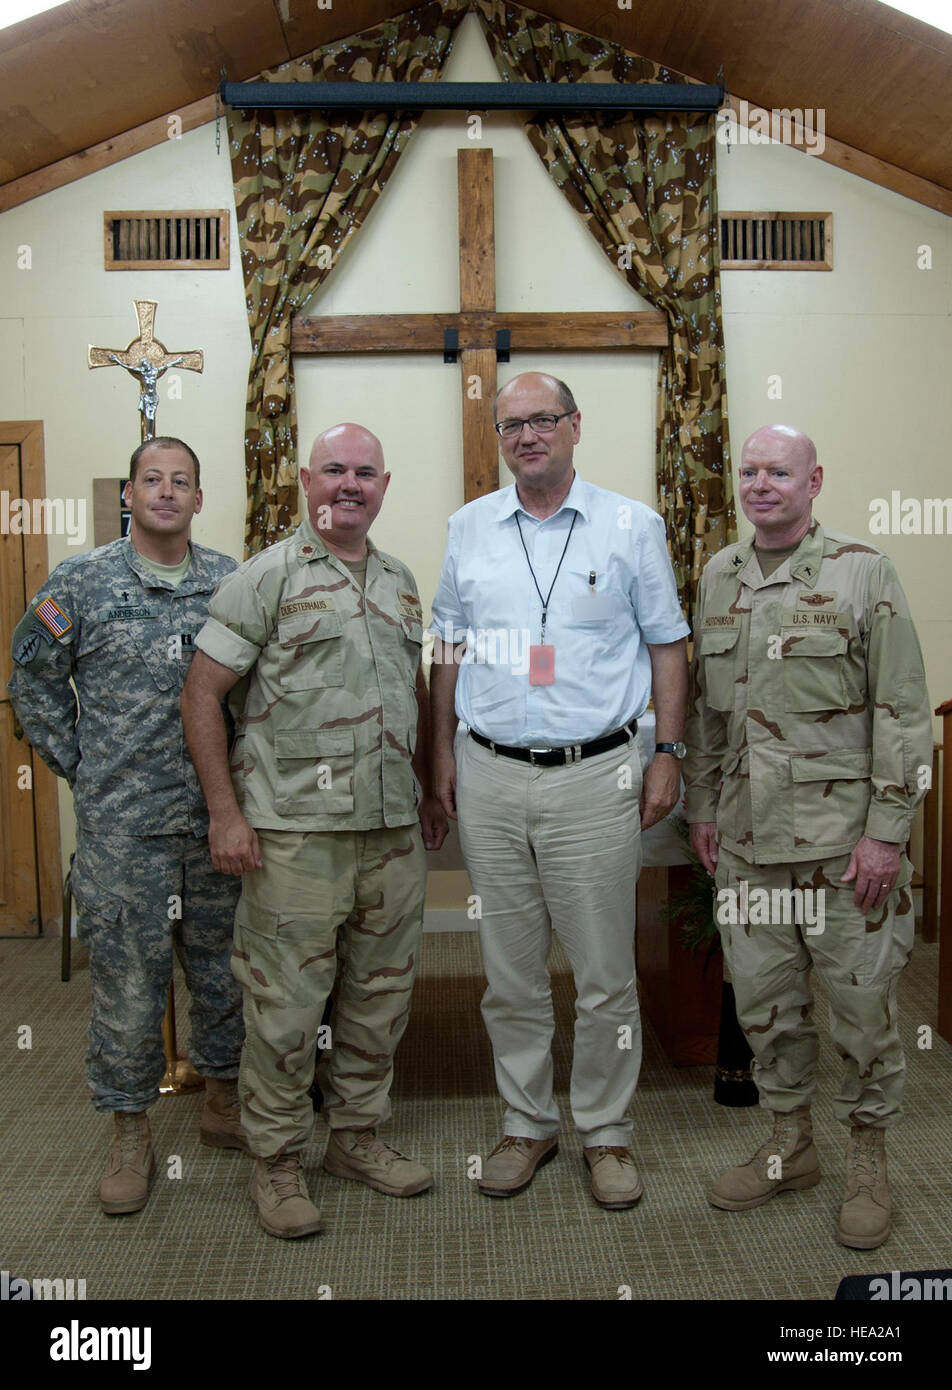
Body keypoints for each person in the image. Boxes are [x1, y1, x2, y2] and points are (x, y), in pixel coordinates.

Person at [181, 423, 448, 1240]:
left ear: (385, 484)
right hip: (295, 837)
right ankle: (278, 1161)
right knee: (286, 1011)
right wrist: (227, 814)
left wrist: (431, 785)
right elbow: (201, 696)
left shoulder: (402, 581)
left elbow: (419, 684)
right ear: (306, 480)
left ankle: (357, 1139)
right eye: (334, 470)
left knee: (379, 1000)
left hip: (390, 831)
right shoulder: (267, 578)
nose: (349, 484)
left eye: (365, 472)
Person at [430, 372, 690, 1209]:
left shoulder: (630, 526)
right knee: (509, 974)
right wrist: (439, 752)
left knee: (605, 973)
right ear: (499, 437)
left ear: (576, 425)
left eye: (544, 420)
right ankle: (526, 1123)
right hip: (492, 773)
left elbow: (669, 647)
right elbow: (446, 649)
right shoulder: (468, 528)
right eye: (512, 425)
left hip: (596, 773)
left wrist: (668, 752)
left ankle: (607, 1134)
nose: (528, 435)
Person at [684, 423, 932, 1249]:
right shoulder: (718, 575)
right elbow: (709, 715)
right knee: (765, 1009)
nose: (761, 484)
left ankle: (868, 1155)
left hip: (841, 849)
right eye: (750, 471)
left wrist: (888, 836)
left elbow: (902, 714)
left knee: (862, 1010)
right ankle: (792, 1143)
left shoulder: (864, 575)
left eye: (778, 472)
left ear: (813, 480)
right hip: (751, 844)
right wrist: (704, 806)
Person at [8, 436, 246, 1216]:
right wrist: (84, 765)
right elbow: (32, 683)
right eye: (153, 480)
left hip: (214, 819)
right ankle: (130, 1133)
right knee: (129, 989)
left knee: (225, 973)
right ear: (129, 494)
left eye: (182, 481)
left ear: (199, 499)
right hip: (124, 832)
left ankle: (222, 1101)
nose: (167, 492)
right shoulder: (81, 583)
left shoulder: (229, 582)